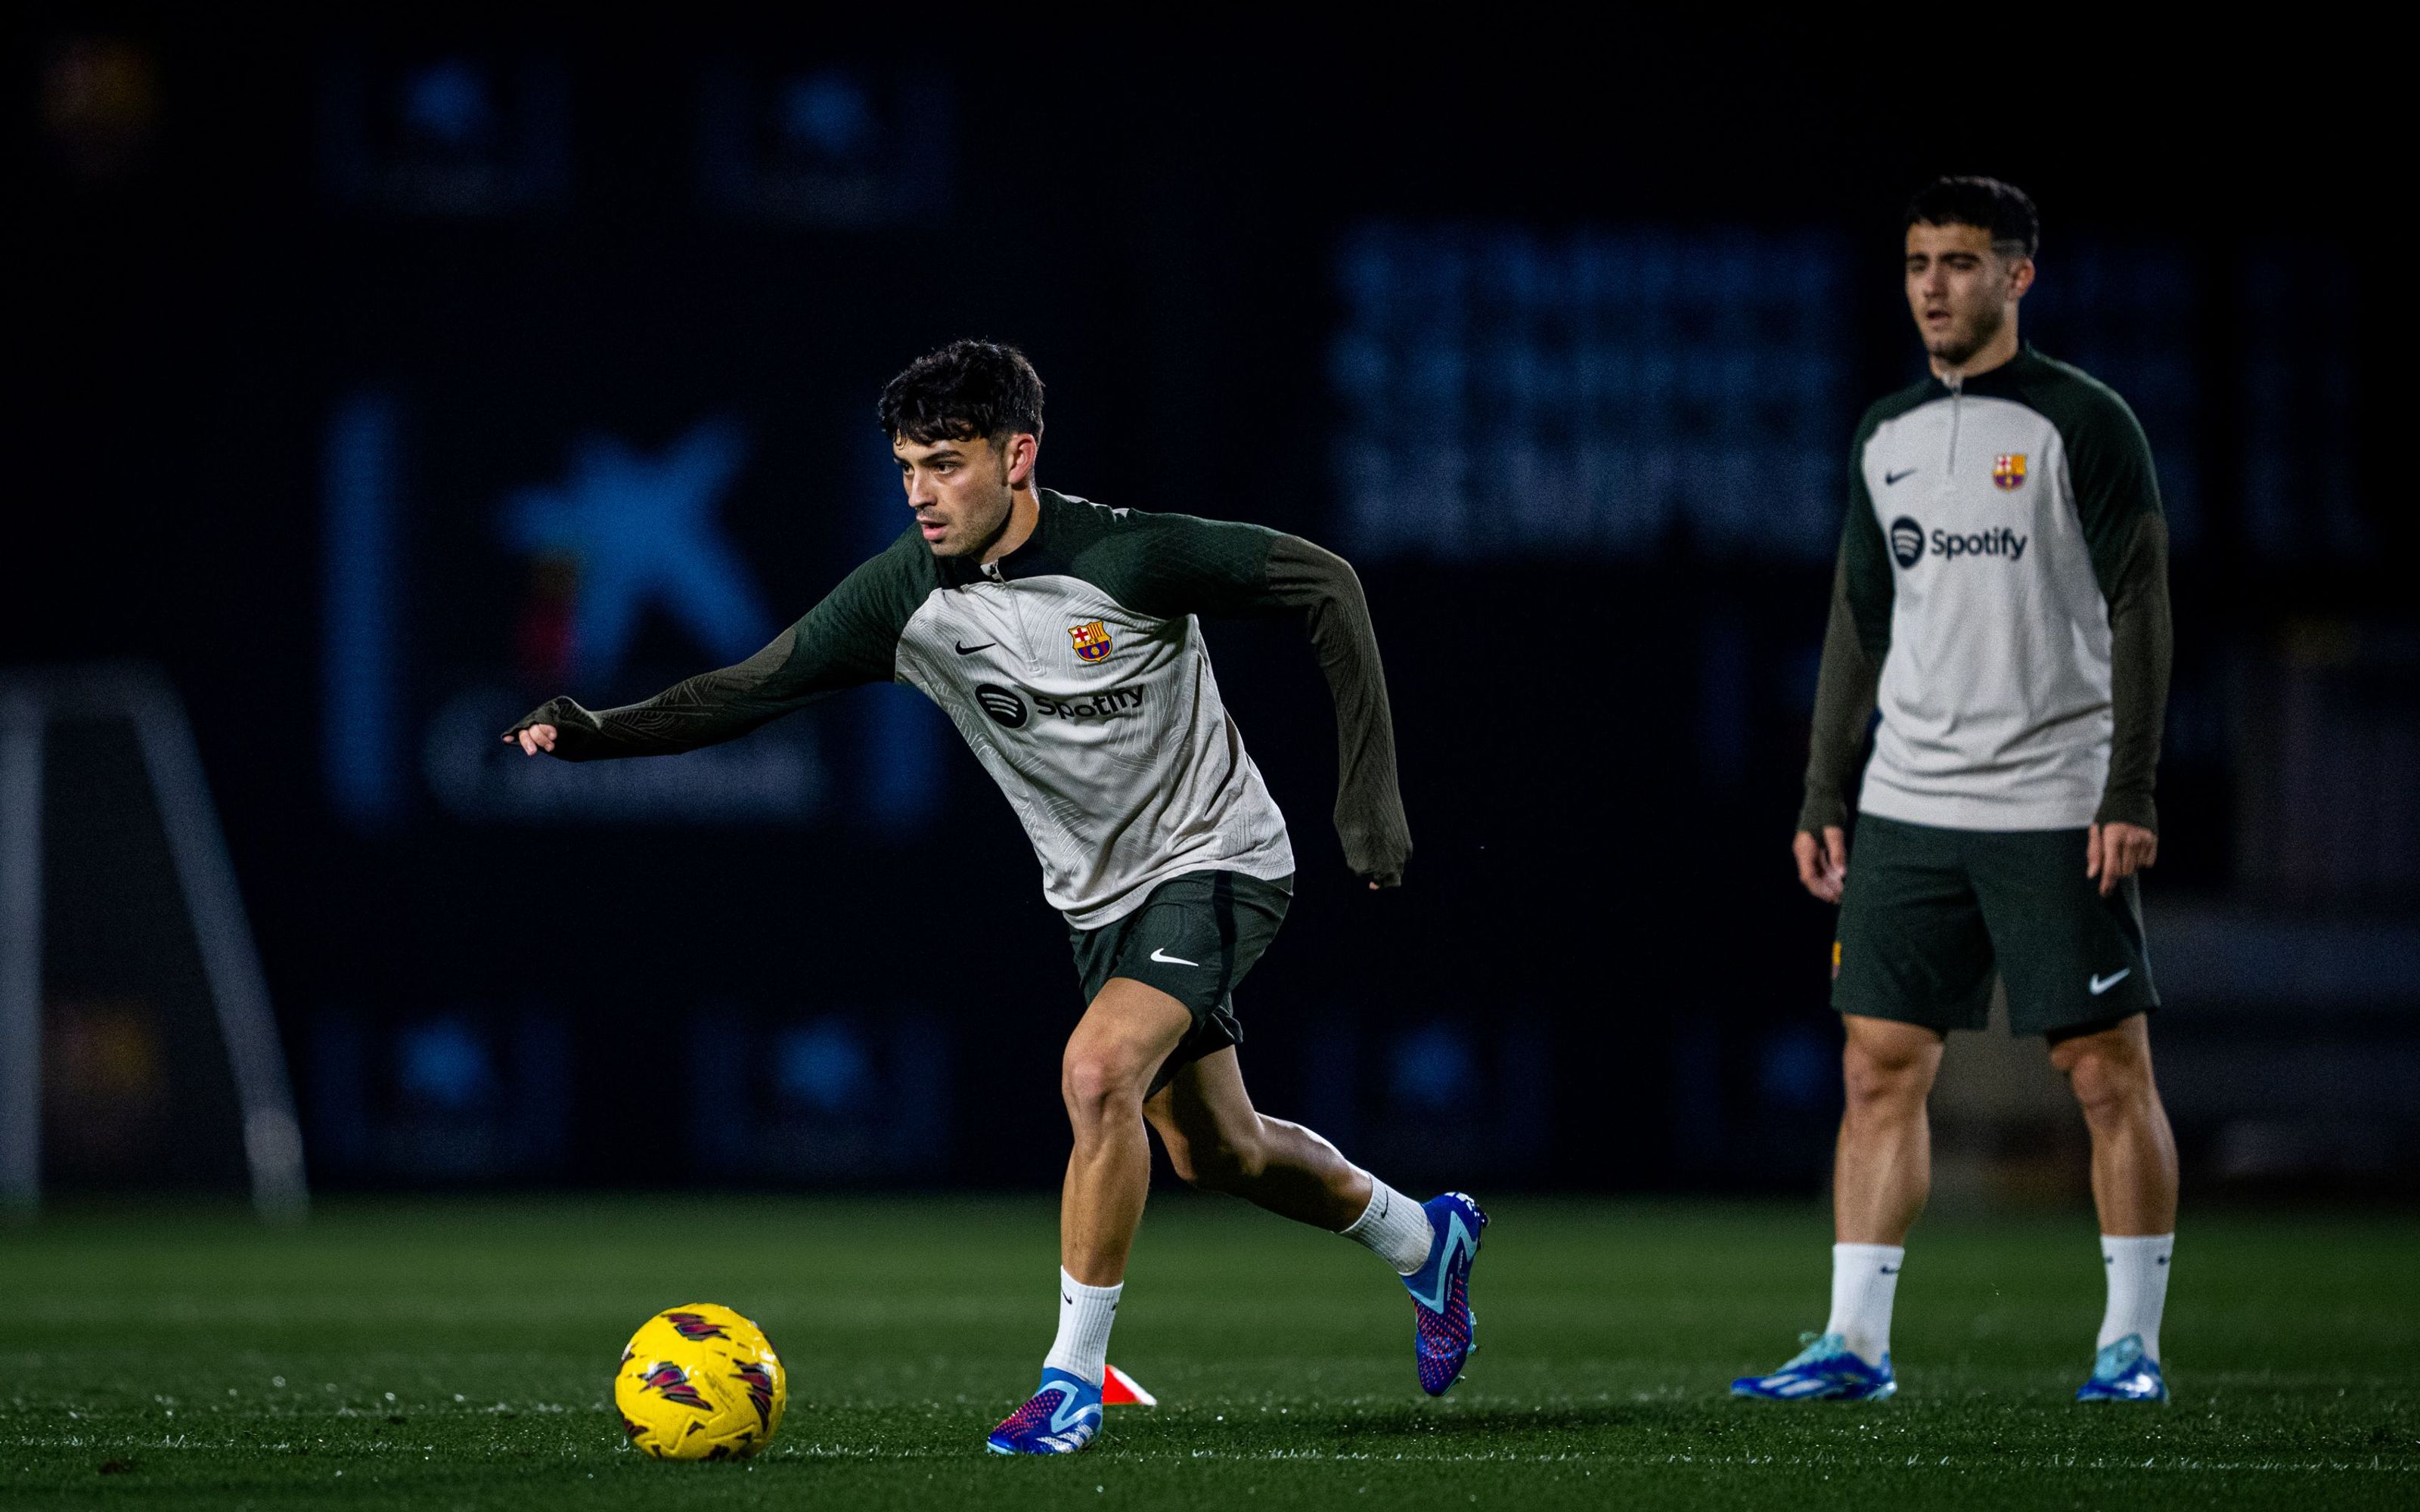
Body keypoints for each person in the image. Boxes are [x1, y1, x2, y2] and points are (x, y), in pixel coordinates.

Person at [504, 339, 1485, 1454]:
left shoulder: (1128, 556)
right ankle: (1424, 1242)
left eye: (947, 464)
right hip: (1097, 906)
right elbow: (749, 688)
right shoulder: (904, 595)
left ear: (1018, 457)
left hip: (1219, 859)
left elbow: (1326, 583)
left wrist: (1369, 801)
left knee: (1096, 1071)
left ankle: (1071, 1381)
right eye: (907, 468)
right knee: (1219, 1153)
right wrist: (597, 731)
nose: (921, 493)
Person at [1733, 178, 2177, 1405]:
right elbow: (1858, 621)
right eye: (1919, 262)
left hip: (2053, 798)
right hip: (1909, 802)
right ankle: (1854, 1346)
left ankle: (2130, 1348)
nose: (1935, 286)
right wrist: (1825, 789)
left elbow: (2142, 605)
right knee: (1876, 1068)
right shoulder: (1887, 434)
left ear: (2018, 276)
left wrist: (2130, 786)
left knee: (2106, 1073)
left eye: (1963, 262)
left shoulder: (2085, 422)